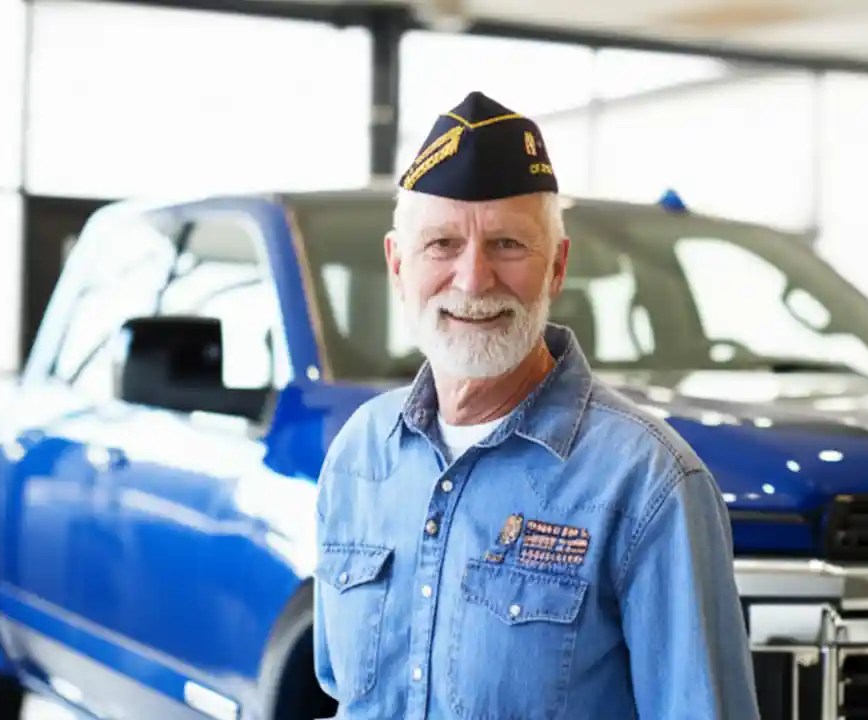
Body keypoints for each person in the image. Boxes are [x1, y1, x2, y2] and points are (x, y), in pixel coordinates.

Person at [313, 91, 760, 719]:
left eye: (507, 246)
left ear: (556, 267)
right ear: (397, 265)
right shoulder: (359, 455)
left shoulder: (650, 484)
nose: (473, 281)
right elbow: (343, 693)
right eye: (442, 244)